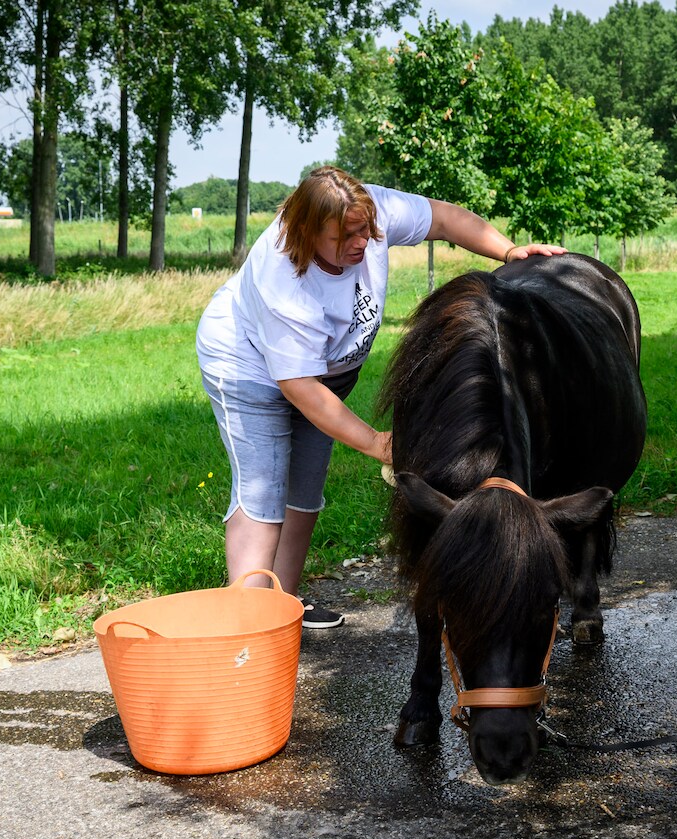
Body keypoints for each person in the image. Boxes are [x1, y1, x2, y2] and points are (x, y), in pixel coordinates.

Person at [195, 166, 563, 628]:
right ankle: (246, 628)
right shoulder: (284, 281)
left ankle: (283, 609)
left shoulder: (370, 213)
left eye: (366, 231)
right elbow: (299, 388)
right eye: (345, 236)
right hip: (248, 367)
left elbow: (445, 219)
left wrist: (507, 249)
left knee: (305, 488)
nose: (361, 243)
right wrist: (377, 443)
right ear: (306, 231)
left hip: (323, 376)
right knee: (263, 490)